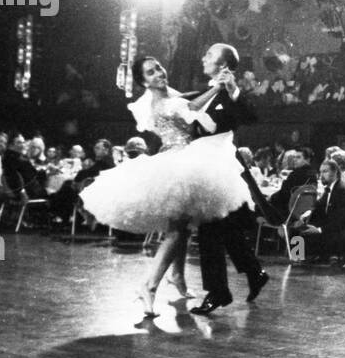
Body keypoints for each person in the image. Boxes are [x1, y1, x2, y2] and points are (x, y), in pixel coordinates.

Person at [80, 54, 253, 318]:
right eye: (151, 73)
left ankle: (177, 277)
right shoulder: (160, 101)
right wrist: (217, 87)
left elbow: (186, 98)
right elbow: (191, 105)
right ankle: (148, 287)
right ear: (144, 82)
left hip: (183, 161)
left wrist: (217, 87)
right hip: (176, 163)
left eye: (159, 67)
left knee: (180, 229)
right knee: (176, 232)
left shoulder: (168, 93)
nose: (159, 73)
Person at [187, 44, 270, 316]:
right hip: (203, 163)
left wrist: (234, 89)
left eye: (209, 55)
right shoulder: (208, 91)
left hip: (218, 167)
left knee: (211, 229)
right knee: (226, 229)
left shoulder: (229, 94)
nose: (203, 57)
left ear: (224, 66)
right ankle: (255, 272)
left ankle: (218, 292)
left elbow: (251, 117)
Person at [298, 157, 345, 267]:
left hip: (343, 233)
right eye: (320, 172)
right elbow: (320, 205)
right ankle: (300, 258)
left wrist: (319, 230)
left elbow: (341, 221)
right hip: (332, 227)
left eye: (325, 171)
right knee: (299, 228)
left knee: (305, 233)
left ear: (335, 172)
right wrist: (308, 212)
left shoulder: (341, 191)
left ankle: (305, 258)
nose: (321, 175)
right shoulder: (331, 187)